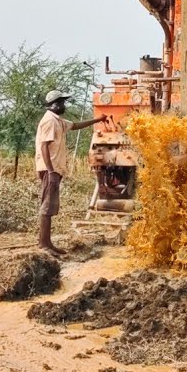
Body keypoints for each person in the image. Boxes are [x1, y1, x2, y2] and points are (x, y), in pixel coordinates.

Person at [35, 89, 109, 255]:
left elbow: (75, 126)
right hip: (50, 169)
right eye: (60, 103)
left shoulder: (58, 121)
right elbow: (44, 147)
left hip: (54, 169)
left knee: (50, 206)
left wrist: (98, 119)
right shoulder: (49, 121)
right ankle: (43, 244)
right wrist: (51, 170)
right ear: (52, 104)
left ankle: (47, 243)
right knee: (47, 207)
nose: (63, 105)